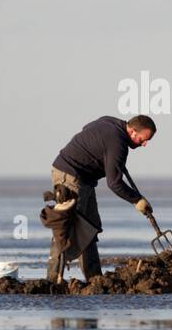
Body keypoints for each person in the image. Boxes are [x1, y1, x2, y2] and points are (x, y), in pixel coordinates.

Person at [46, 115, 156, 282]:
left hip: (85, 180)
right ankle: (52, 280)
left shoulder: (110, 122)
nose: (144, 144)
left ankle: (95, 280)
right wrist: (137, 200)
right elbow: (114, 183)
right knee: (66, 230)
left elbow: (87, 127)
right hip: (69, 176)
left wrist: (106, 154)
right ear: (133, 131)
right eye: (143, 139)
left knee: (89, 229)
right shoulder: (117, 143)